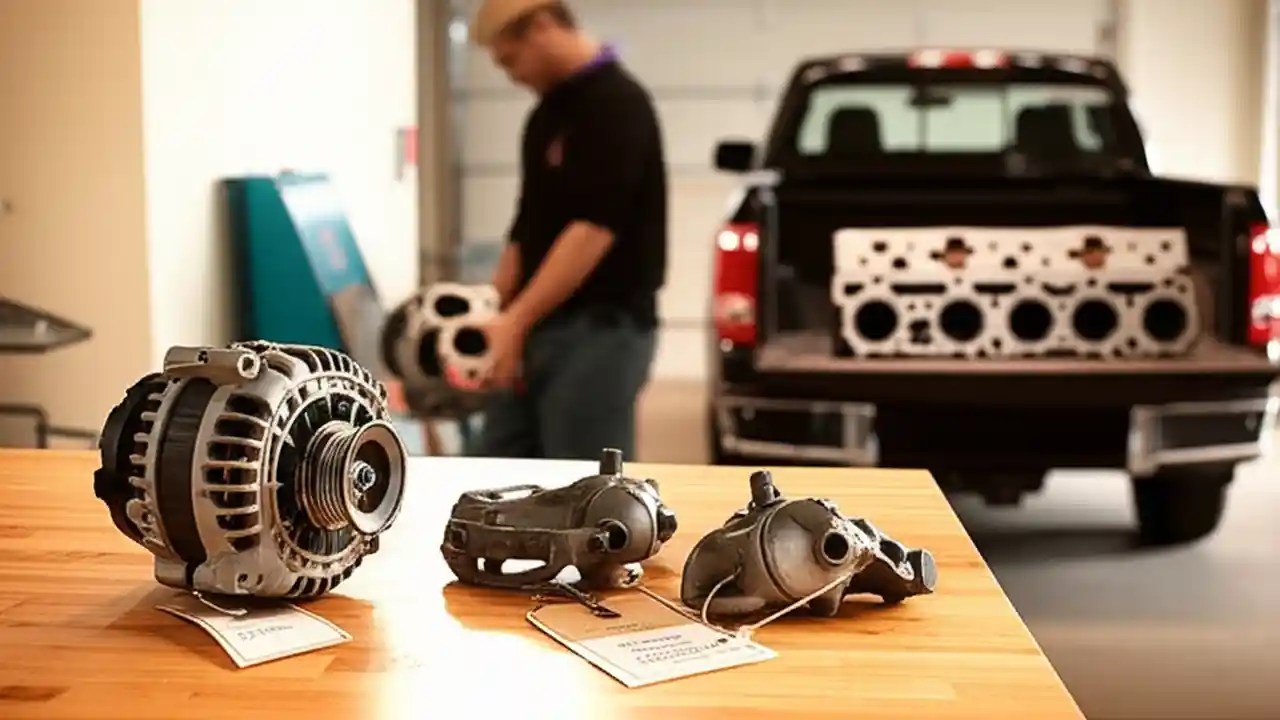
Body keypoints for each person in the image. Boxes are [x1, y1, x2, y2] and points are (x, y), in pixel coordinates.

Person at [469, 0, 667, 460]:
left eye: (510, 60)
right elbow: (526, 225)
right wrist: (490, 310)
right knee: (492, 471)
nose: (510, 76)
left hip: (601, 332)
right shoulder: (545, 117)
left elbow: (592, 231)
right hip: (539, 325)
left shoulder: (617, 106)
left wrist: (514, 320)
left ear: (541, 27)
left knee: (586, 490)